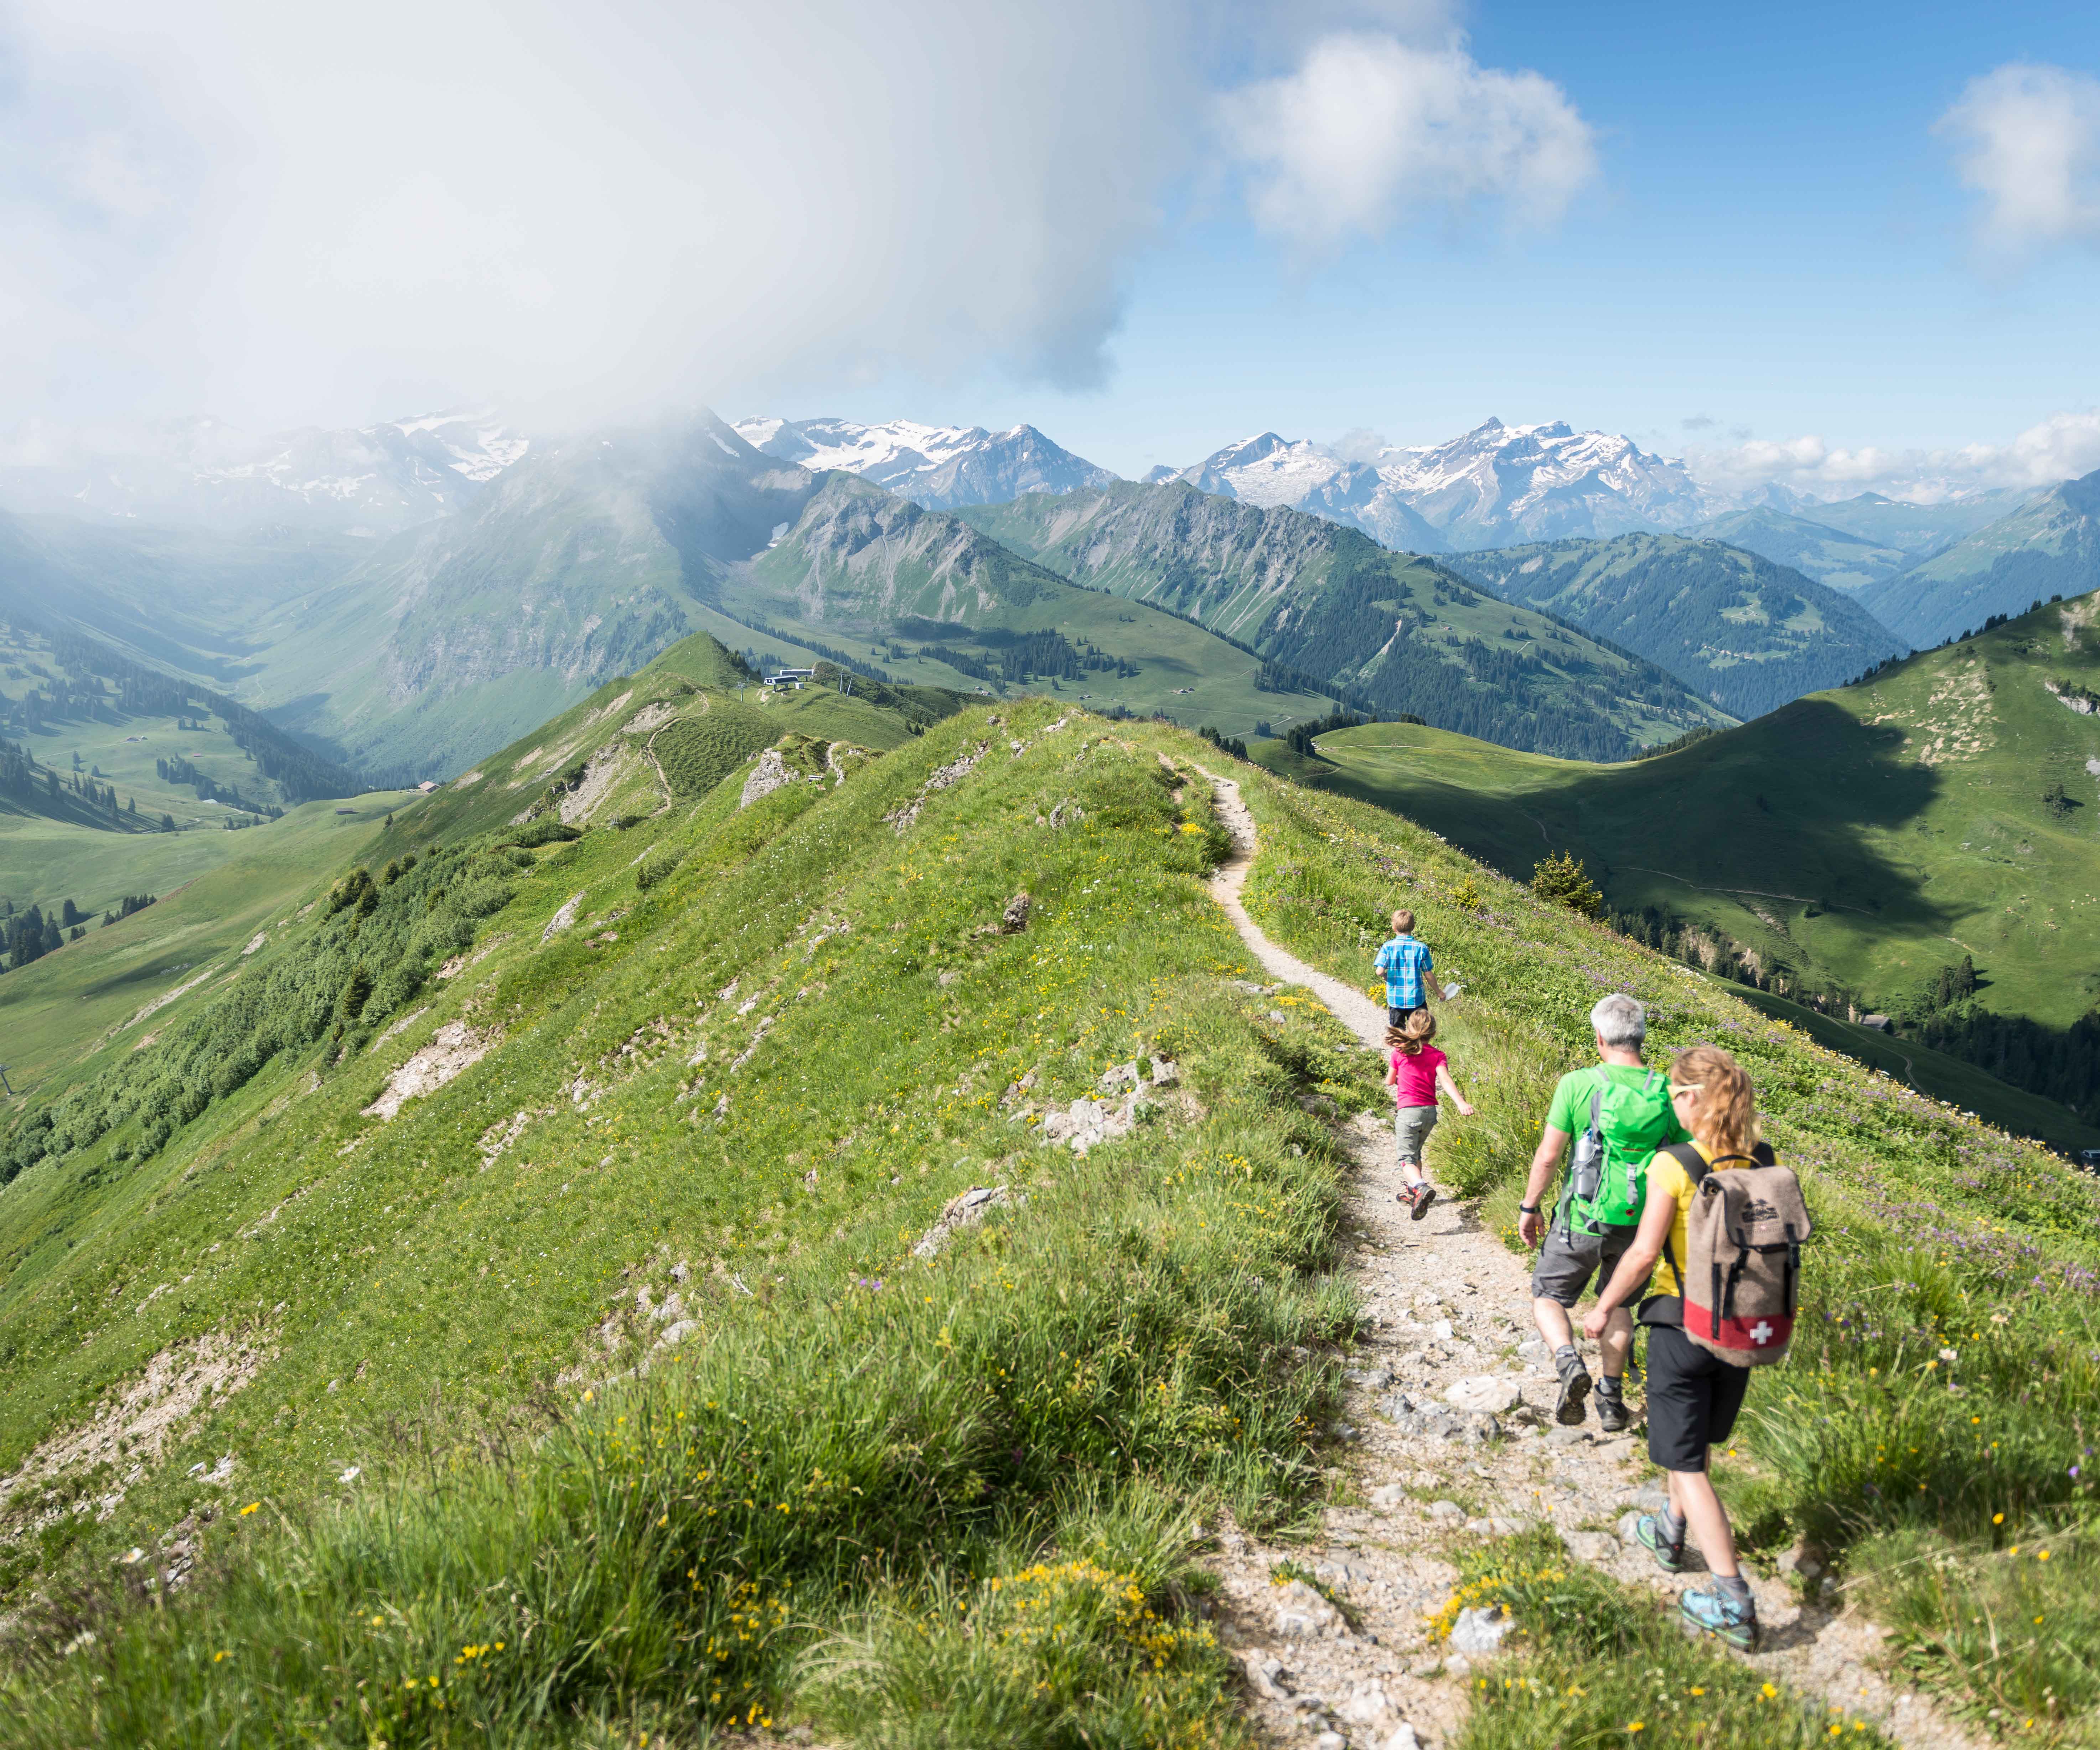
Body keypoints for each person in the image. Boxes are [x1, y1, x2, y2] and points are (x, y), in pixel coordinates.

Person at [1584, 1044, 1771, 1650]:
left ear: (1692, 1098)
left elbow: (1642, 1254)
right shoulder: (1761, 1158)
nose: (1670, 1104)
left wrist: (1603, 1305)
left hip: (1678, 1324)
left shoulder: (1674, 1164)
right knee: (1691, 1445)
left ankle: (1731, 1597)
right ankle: (1667, 1531)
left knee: (1685, 1464)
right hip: (1740, 1329)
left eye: (1673, 1095)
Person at [1515, 993, 1687, 1431]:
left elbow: (1548, 1156)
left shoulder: (1577, 1083)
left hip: (1580, 1219)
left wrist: (1530, 1206)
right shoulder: (1667, 1092)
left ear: (1599, 1038)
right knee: (1618, 1304)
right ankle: (1610, 1399)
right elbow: (1683, 1158)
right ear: (1641, 1037)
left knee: (1548, 1296)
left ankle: (1568, 1360)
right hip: (1639, 1225)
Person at [1384, 1010, 1474, 1219]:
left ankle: (1420, 1187)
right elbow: (1446, 1081)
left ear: (1409, 1029)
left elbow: (1390, 1081)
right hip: (1429, 1113)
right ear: (1433, 1034)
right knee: (1416, 1153)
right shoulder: (1438, 1055)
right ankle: (1412, 1192)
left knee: (1406, 1158)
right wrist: (1460, 1102)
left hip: (1409, 1112)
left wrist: (1402, 1079)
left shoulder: (1399, 1053)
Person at [1373, 909, 1434, 1029]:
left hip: (1396, 999)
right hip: (1417, 999)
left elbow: (1379, 971)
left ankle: (1401, 1048)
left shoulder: (1388, 947)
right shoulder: (1421, 948)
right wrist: (1439, 992)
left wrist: (1386, 977)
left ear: (1394, 928)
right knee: (1419, 1031)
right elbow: (1429, 975)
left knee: (1398, 1032)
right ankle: (1417, 1048)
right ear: (1414, 927)